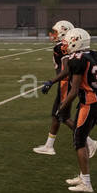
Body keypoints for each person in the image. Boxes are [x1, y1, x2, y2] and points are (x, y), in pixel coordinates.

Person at [49, 28, 97, 193]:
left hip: (89, 103)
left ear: (76, 41)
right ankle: (83, 177)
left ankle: (86, 183)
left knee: (79, 141)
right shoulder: (94, 54)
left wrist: (62, 107)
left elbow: (74, 91)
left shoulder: (77, 59)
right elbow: (72, 72)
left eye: (68, 41)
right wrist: (52, 81)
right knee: (80, 137)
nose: (65, 44)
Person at [33, 20, 74, 155]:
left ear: (63, 32)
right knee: (57, 115)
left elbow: (66, 70)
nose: (53, 34)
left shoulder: (60, 47)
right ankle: (49, 146)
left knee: (62, 116)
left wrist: (51, 82)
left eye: (56, 32)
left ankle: (87, 141)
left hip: (65, 83)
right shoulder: (66, 45)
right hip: (67, 82)